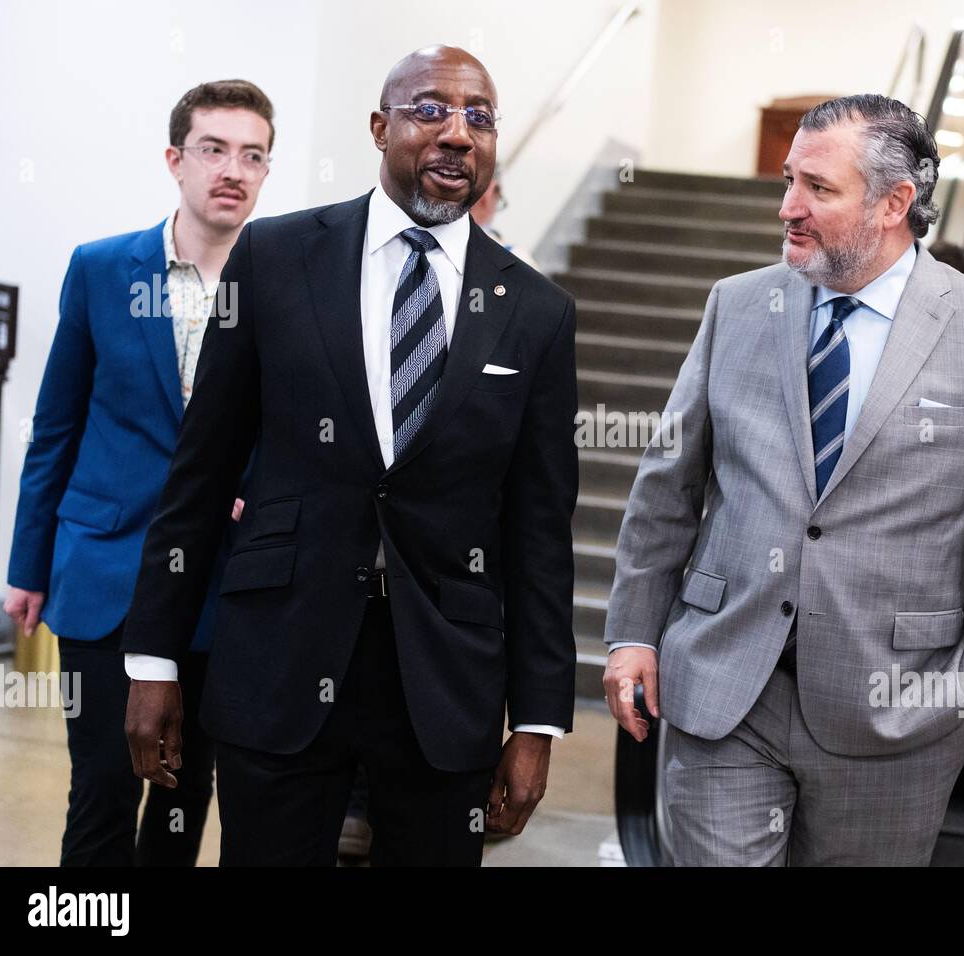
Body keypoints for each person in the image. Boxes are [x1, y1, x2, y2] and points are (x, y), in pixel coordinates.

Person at [120, 45, 577, 867]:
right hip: (282, 662)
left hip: (443, 687)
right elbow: (202, 474)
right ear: (380, 127)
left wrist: (537, 721)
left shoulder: (537, 311)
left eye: (479, 118)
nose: (457, 136)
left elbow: (540, 532)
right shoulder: (275, 258)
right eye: (431, 110)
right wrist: (155, 661)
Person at [601, 94, 964, 866]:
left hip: (898, 712)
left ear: (895, 203)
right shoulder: (738, 305)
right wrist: (631, 633)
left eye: (818, 188)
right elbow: (666, 488)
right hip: (725, 686)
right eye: (790, 181)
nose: (789, 207)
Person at [4, 79, 275, 866]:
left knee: (187, 793)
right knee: (102, 787)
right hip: (105, 567)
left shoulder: (282, 288)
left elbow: (295, 432)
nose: (233, 169)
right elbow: (55, 426)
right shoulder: (100, 270)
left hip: (218, 584)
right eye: (214, 149)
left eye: (253, 155)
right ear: (175, 159)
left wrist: (251, 493)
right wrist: (29, 565)